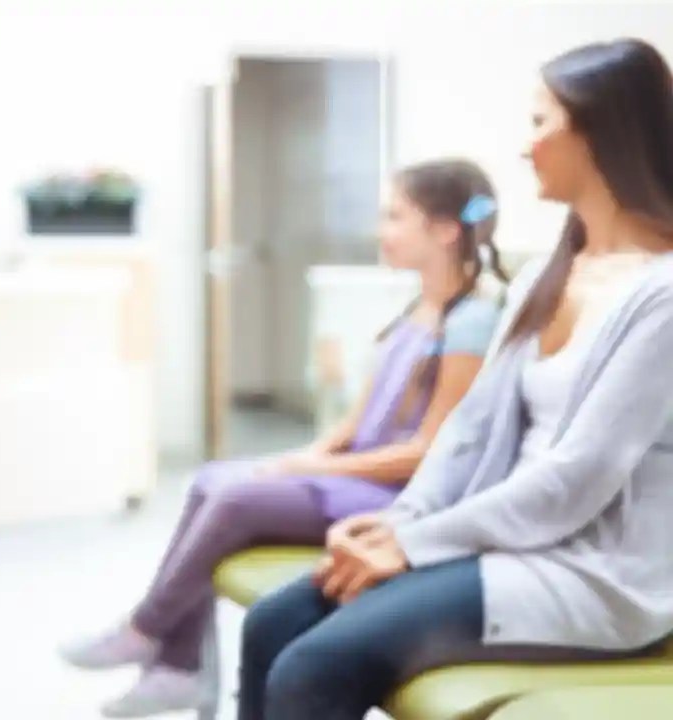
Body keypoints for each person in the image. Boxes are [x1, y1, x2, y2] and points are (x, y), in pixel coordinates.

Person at [237, 38, 673, 720]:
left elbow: (576, 480)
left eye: (539, 123)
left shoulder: (662, 295)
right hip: (507, 543)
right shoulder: (543, 277)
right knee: (271, 623)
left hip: (591, 578)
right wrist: (398, 520)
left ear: (598, 133)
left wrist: (411, 546)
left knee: (313, 667)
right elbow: (468, 433)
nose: (526, 147)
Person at [59, 159, 507, 718]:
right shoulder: (417, 307)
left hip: (397, 496)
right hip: (363, 473)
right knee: (212, 478)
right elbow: (353, 426)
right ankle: (177, 665)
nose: (381, 231)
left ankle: (148, 630)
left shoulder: (472, 321)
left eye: (395, 217)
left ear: (444, 230)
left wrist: (307, 472)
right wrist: (301, 458)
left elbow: (426, 453)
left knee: (235, 496)